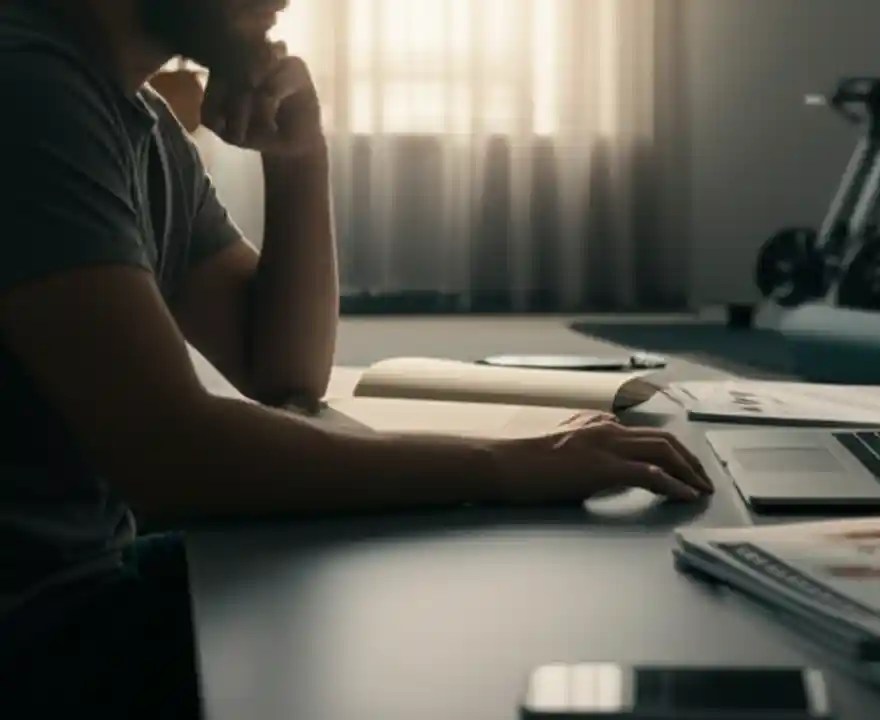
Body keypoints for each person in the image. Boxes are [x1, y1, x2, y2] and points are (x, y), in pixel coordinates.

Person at [0, 0, 712, 715]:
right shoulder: (30, 89)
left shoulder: (133, 120)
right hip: (36, 636)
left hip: (79, 589)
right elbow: (173, 456)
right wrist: (508, 465)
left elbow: (281, 366)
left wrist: (301, 158)